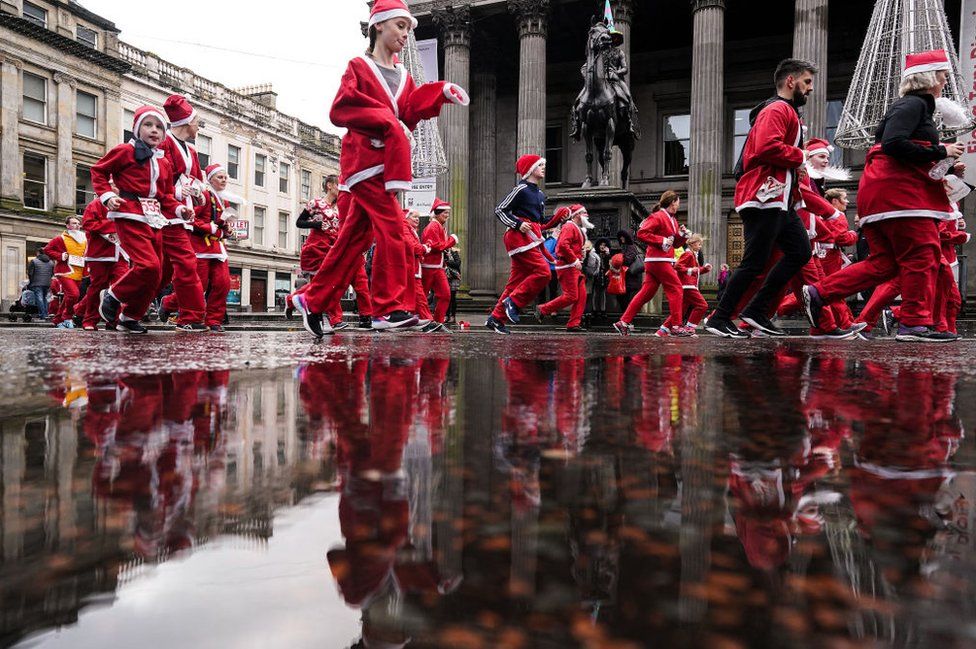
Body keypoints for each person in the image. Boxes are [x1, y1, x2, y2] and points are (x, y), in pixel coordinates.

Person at [292, 0, 469, 337]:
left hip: (383, 165)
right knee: (394, 232)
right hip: (364, 165)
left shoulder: (403, 75)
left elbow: (411, 108)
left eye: (408, 28)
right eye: (400, 26)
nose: (406, 33)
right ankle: (387, 308)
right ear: (378, 25)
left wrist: (441, 92)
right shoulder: (358, 66)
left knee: (354, 241)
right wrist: (386, 121)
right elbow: (340, 110)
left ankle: (312, 300)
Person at [803, 49, 964, 342]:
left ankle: (819, 293)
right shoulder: (913, 105)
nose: (944, 82)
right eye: (942, 76)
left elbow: (899, 148)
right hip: (901, 198)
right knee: (921, 255)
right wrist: (941, 151)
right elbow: (894, 144)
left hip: (885, 196)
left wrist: (944, 164)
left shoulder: (910, 106)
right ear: (929, 78)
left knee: (884, 264)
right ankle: (913, 323)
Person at [704, 59, 817, 338]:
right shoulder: (778, 108)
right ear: (791, 81)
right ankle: (719, 318)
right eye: (807, 82)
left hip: (778, 199)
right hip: (763, 196)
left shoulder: (785, 111)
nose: (811, 89)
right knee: (754, 262)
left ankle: (755, 311)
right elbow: (767, 147)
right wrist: (802, 156)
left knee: (800, 251)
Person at [93, 105, 194, 334]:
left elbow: (166, 196)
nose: (154, 130)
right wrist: (107, 196)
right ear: (137, 128)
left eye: (159, 126)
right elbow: (98, 171)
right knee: (148, 266)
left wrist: (180, 211)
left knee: (157, 274)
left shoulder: (165, 162)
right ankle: (113, 294)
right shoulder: (124, 151)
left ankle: (129, 317)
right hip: (129, 214)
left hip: (155, 218)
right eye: (148, 125)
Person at [485, 155, 566, 335]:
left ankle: (496, 318)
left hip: (531, 238)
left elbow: (540, 222)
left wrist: (559, 217)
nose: (544, 167)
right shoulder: (520, 189)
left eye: (544, 164)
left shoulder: (540, 194)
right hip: (519, 238)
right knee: (544, 273)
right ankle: (512, 303)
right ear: (530, 169)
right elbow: (500, 209)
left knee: (514, 283)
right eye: (540, 165)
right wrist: (517, 224)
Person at [155, 94, 208, 332]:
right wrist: (176, 191)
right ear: (187, 123)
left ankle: (123, 306)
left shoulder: (193, 151)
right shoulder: (164, 144)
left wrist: (198, 193)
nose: (199, 127)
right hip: (165, 215)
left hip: (183, 216)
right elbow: (156, 177)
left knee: (161, 272)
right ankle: (192, 317)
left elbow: (196, 178)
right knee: (186, 265)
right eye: (197, 122)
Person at [613, 191, 693, 337]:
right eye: (678, 202)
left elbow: (674, 244)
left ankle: (623, 322)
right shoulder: (658, 216)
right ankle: (676, 325)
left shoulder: (673, 220)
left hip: (656, 261)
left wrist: (682, 236)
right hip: (660, 261)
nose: (678, 206)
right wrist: (661, 240)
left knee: (646, 293)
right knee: (676, 289)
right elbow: (641, 233)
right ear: (672, 202)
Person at [174, 163, 232, 332]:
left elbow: (221, 223)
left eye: (225, 177)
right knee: (200, 286)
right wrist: (211, 228)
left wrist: (226, 229)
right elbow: (191, 218)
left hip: (218, 248)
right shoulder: (204, 196)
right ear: (210, 179)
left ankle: (214, 320)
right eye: (220, 177)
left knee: (223, 284)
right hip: (201, 247)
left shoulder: (225, 200)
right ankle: (170, 302)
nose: (224, 180)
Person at [537, 204, 593, 332]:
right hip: (568, 266)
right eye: (584, 212)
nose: (587, 215)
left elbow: (568, 246)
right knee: (572, 296)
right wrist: (574, 259)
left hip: (573, 266)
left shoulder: (576, 228)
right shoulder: (569, 226)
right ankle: (542, 309)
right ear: (577, 214)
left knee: (581, 296)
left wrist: (581, 253)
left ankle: (574, 323)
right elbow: (562, 246)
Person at [78, 197, 128, 331]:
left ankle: (114, 320)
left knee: (120, 286)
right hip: (99, 254)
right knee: (97, 287)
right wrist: (114, 226)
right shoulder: (95, 204)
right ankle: (89, 319)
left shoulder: (126, 201)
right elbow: (88, 224)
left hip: (121, 254)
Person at [43, 216, 87, 328]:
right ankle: (67, 317)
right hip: (64, 271)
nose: (77, 225)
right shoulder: (60, 238)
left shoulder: (85, 239)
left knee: (69, 296)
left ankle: (58, 319)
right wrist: (61, 256)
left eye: (78, 223)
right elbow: (47, 250)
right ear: (67, 225)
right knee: (74, 294)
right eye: (73, 223)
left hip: (79, 271)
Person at [421, 198, 459, 328]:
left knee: (444, 295)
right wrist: (452, 240)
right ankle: (427, 320)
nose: (447, 216)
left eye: (448, 213)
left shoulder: (438, 226)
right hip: (430, 267)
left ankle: (437, 321)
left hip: (437, 267)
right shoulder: (433, 226)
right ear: (437, 213)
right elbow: (437, 246)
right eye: (445, 213)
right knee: (425, 295)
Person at [676, 234, 712, 330]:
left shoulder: (692, 254)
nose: (700, 246)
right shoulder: (688, 254)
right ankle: (689, 328)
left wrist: (704, 269)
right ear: (693, 244)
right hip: (688, 285)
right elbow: (678, 266)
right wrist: (690, 270)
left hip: (689, 285)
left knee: (682, 310)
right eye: (699, 244)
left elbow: (696, 270)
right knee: (702, 305)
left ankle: (665, 329)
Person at [27, 249, 55, 320]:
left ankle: (43, 314)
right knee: (44, 298)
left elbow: (30, 273)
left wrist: (31, 281)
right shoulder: (51, 262)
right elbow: (52, 273)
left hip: (36, 283)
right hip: (47, 283)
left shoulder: (34, 261)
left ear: (38, 253)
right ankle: (45, 314)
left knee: (39, 299)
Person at [591, 238, 612, 323]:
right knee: (595, 292)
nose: (602, 247)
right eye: (601, 245)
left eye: (604, 245)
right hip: (596, 274)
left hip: (604, 275)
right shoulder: (594, 253)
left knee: (603, 293)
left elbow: (610, 264)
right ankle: (594, 310)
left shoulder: (607, 254)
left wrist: (608, 254)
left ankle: (603, 310)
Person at [445, 246, 461, 324]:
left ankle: (452, 316)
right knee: (446, 296)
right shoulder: (442, 251)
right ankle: (446, 315)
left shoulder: (454, 251)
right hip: (444, 276)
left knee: (452, 297)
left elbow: (457, 263)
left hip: (453, 277)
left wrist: (447, 262)